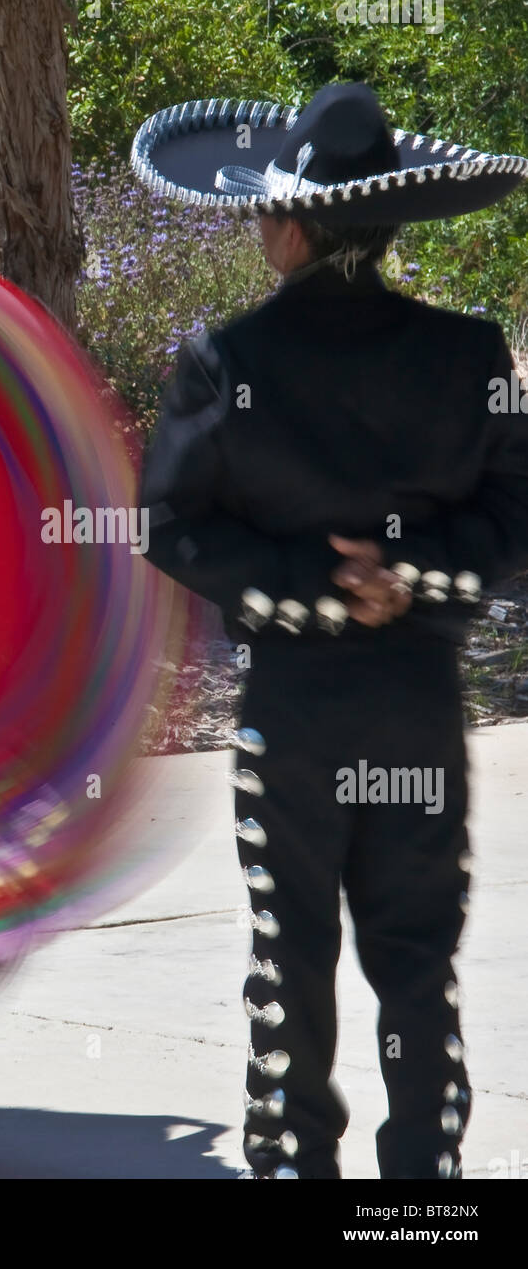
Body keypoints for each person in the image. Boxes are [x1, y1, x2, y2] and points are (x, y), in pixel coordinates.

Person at [132, 82, 528, 1178]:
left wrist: (308, 578)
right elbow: (512, 509)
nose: (258, 230)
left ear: (294, 228)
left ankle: (296, 1162)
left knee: (289, 953)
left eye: (262, 213)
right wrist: (406, 574)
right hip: (413, 705)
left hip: (293, 711)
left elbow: (165, 525)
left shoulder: (227, 359)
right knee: (413, 960)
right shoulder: (467, 352)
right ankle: (416, 1186)